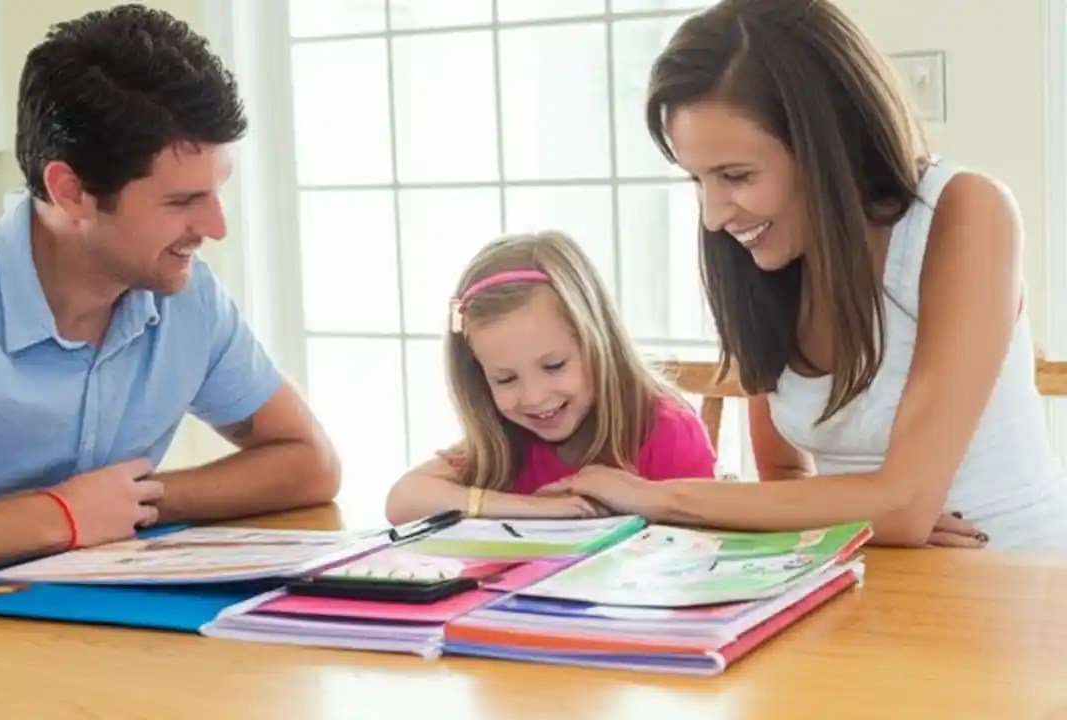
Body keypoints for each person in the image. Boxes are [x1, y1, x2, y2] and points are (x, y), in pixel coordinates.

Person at [0, 5, 340, 613]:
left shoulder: (186, 297)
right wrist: (59, 515)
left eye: (217, 190)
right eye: (183, 200)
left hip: (72, 630)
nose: (215, 226)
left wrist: (134, 500)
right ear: (70, 190)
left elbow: (309, 463)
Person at [540, 0, 1067, 551]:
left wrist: (659, 496)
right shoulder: (764, 259)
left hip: (1013, 576)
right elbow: (789, 480)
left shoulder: (964, 213)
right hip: (875, 579)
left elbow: (905, 507)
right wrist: (868, 517)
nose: (714, 215)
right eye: (697, 180)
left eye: (736, 175)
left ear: (826, 145)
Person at [384, 231, 717, 525]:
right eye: (505, 379)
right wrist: (534, 508)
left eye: (555, 365)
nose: (533, 396)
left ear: (597, 343)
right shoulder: (505, 441)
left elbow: (703, 551)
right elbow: (403, 499)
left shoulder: (667, 431)